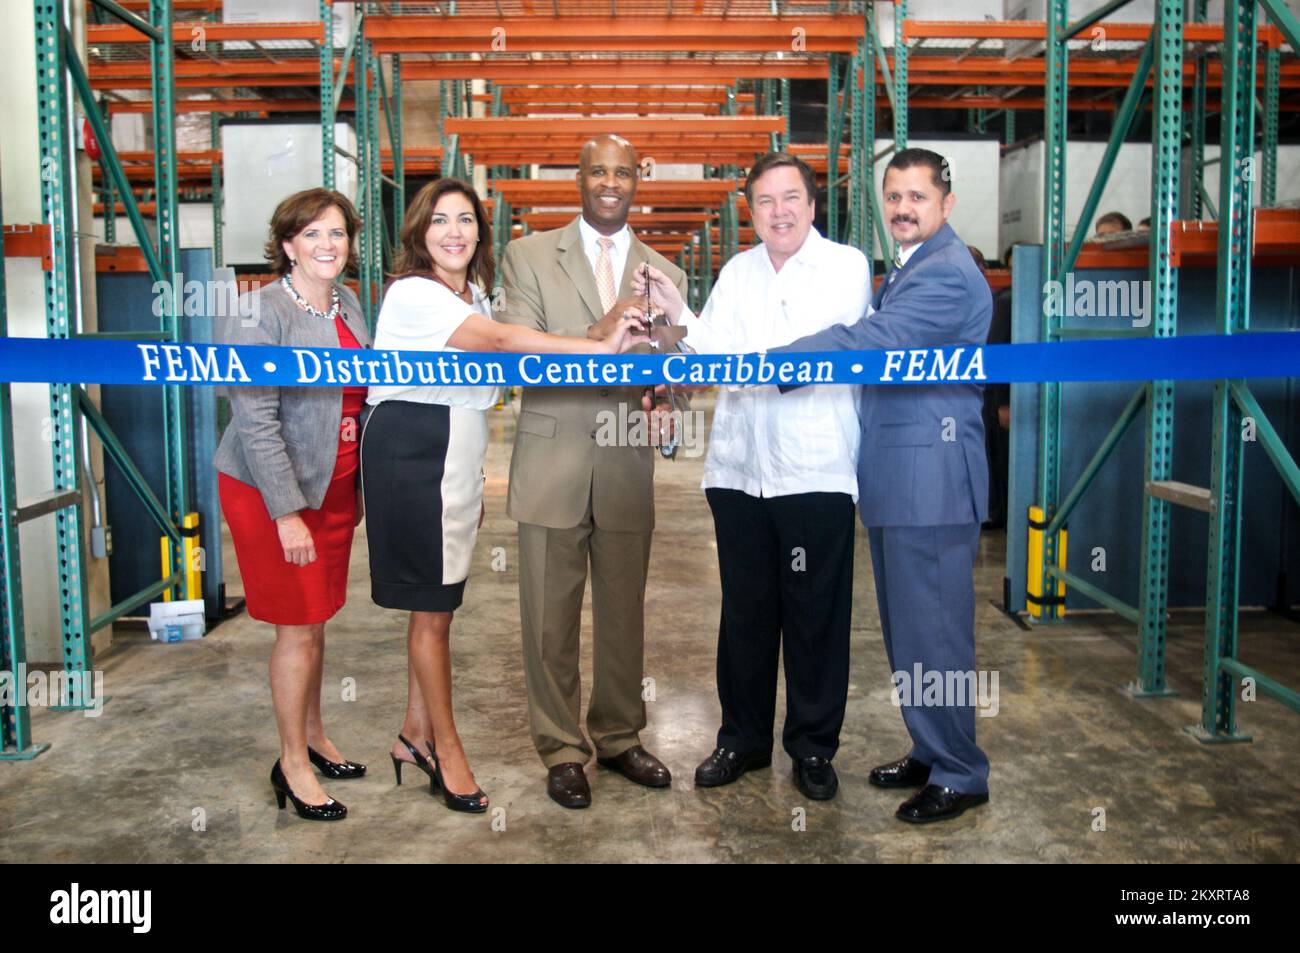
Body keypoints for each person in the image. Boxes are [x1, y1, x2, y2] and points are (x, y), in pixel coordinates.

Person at [361, 178, 643, 813]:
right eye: (439, 221)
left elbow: (512, 362)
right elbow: (505, 344)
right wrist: (597, 347)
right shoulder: (416, 293)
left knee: (439, 606)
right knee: (432, 611)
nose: (454, 232)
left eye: (465, 220)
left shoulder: (476, 294)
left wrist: (600, 335)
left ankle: (413, 734)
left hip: (454, 450)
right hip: (414, 449)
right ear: (418, 233)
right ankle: (446, 751)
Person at [634, 152, 868, 801]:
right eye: (764, 201)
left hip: (814, 469)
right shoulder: (738, 271)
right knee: (745, 614)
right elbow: (708, 353)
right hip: (739, 471)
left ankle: (814, 747)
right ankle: (742, 738)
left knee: (816, 614)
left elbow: (814, 354)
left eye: (790, 197)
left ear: (813, 204)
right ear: (752, 210)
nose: (779, 211)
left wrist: (725, 355)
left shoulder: (845, 268)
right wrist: (677, 314)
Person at [771, 147, 993, 824]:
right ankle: (930, 746)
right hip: (902, 479)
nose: (902, 208)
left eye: (917, 197)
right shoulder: (914, 266)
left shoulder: (946, 274)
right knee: (909, 632)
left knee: (938, 635)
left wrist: (779, 360)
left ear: (946, 203)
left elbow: (877, 338)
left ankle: (961, 769)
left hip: (932, 481)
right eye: (893, 196)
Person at [497, 134, 689, 809]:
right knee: (549, 621)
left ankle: (617, 735)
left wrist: (669, 390)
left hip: (625, 463)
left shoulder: (666, 271)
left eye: (623, 172)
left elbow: (678, 372)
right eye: (598, 171)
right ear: (578, 178)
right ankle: (560, 746)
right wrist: (601, 326)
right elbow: (518, 354)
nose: (611, 182)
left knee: (622, 616)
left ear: (640, 179)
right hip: (552, 459)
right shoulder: (526, 255)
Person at [214, 188, 371, 821]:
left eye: (337, 234)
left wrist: (352, 490)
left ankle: (315, 735)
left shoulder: (349, 301)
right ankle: (292, 765)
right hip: (270, 490)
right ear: (287, 246)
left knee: (317, 618)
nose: (327, 246)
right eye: (312, 235)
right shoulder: (261, 313)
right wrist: (286, 514)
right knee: (297, 625)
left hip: (334, 486)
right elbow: (255, 421)